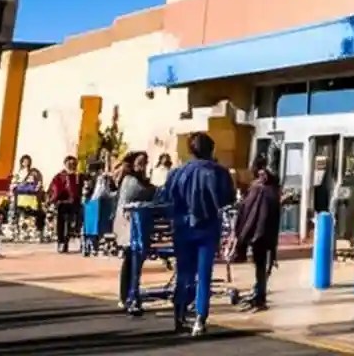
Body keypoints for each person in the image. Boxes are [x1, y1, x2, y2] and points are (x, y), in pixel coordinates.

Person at [158, 132, 236, 336]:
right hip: (207, 227)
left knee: (183, 273)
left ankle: (179, 314)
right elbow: (227, 199)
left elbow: (166, 198)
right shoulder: (218, 172)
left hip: (182, 227)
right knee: (204, 274)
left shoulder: (176, 173)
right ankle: (200, 318)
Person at [232, 155, 281, 311]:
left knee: (260, 265)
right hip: (269, 233)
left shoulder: (256, 187)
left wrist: (240, 236)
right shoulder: (273, 188)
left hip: (256, 232)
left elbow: (245, 212)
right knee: (264, 266)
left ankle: (260, 296)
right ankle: (260, 294)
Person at [112, 151, 156, 313]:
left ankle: (130, 292)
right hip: (128, 225)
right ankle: (126, 295)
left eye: (145, 162)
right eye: (140, 162)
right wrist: (154, 191)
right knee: (130, 259)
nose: (143, 166)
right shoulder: (130, 180)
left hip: (137, 225)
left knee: (134, 260)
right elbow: (138, 193)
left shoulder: (140, 180)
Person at [47, 156, 83, 253]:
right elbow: (54, 189)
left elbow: (81, 189)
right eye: (69, 164)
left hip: (75, 203)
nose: (72, 166)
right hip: (62, 204)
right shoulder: (60, 176)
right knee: (61, 223)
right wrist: (53, 200)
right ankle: (61, 242)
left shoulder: (78, 176)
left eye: (74, 164)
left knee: (71, 224)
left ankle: (67, 242)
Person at [10, 154, 45, 239]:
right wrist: (18, 187)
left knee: (37, 213)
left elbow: (39, 183)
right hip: (20, 197)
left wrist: (36, 189)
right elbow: (13, 184)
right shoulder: (18, 173)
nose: (26, 163)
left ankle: (37, 231)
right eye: (24, 161)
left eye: (27, 161)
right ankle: (16, 232)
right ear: (21, 162)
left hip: (32, 197)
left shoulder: (34, 172)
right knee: (17, 213)